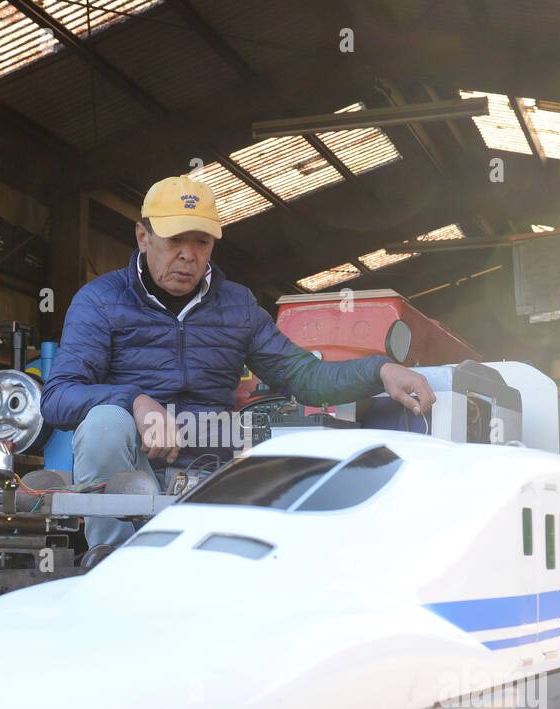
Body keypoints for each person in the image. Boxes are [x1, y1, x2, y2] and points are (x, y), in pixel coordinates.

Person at [41, 175, 436, 547]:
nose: (188, 255)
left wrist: (379, 370)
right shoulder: (100, 301)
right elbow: (58, 397)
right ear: (143, 237)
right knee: (104, 422)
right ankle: (113, 563)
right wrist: (136, 402)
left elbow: (304, 375)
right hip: (132, 475)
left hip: (213, 478)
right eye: (175, 239)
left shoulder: (238, 306)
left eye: (201, 242)